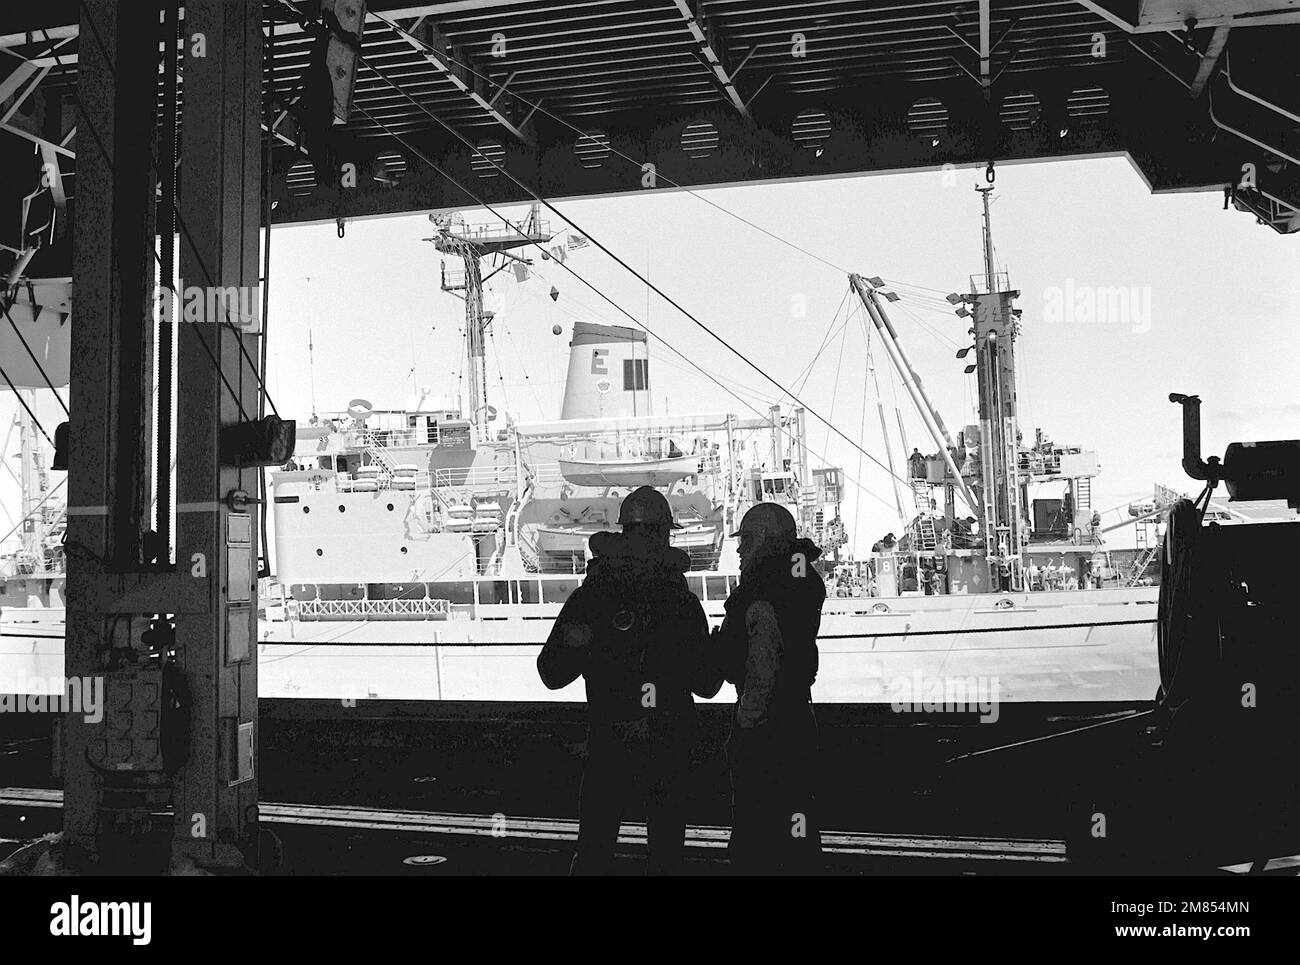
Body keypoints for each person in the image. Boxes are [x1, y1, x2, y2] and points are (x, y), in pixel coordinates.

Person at [537, 486, 721, 874]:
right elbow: (707, 684)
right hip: (667, 751)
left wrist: (583, 641)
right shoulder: (682, 604)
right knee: (667, 855)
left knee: (595, 852)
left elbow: (551, 673)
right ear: (664, 534)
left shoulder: (591, 599)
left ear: (623, 533)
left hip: (609, 748)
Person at [716, 503, 825, 874]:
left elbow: (764, 661)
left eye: (745, 541)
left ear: (762, 540)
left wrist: (746, 723)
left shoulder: (761, 591)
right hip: (799, 719)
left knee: (753, 831)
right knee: (799, 822)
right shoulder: (802, 580)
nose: (740, 550)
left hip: (765, 732)